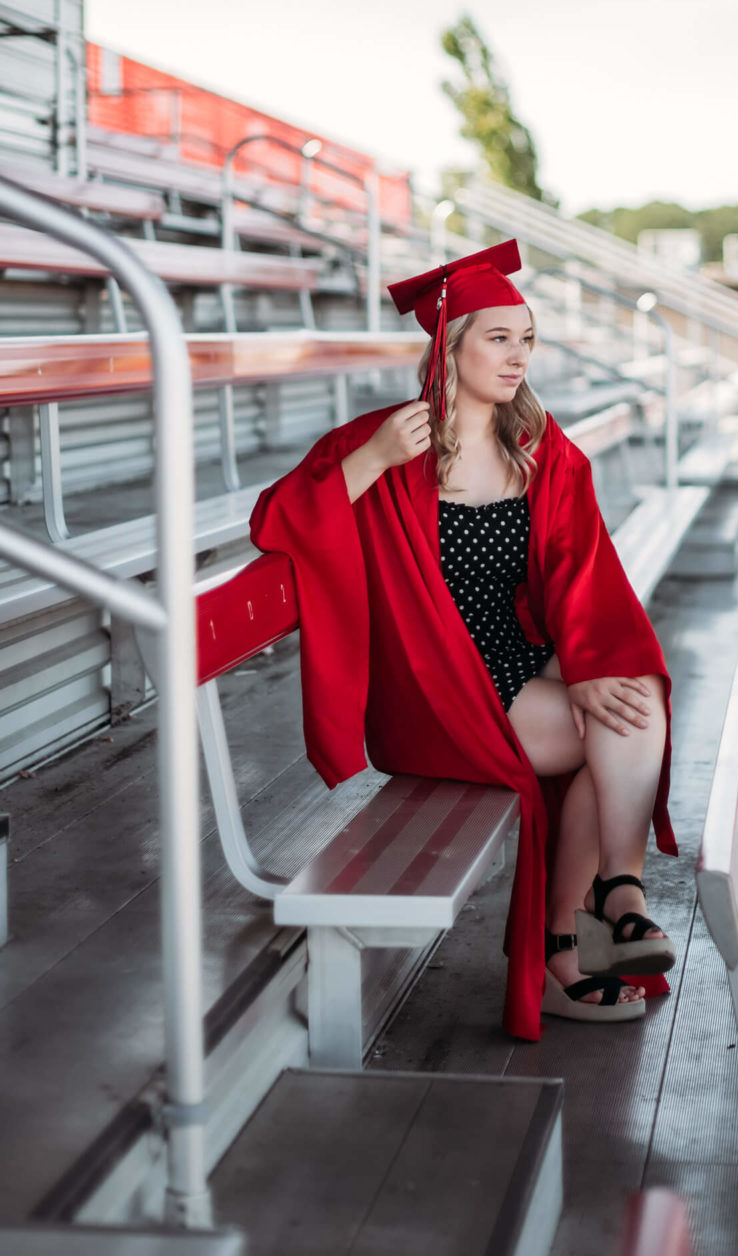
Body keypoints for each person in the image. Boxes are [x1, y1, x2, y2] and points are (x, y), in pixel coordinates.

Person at [250, 239, 677, 1041]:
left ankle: (613, 904)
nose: (518, 357)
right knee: (614, 732)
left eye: (527, 339)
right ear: (450, 343)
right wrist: (372, 462)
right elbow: (275, 523)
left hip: (513, 674)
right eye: (498, 338)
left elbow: (587, 573)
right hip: (432, 691)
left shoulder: (539, 452)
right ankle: (589, 934)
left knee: (631, 692)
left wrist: (586, 668)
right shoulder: (387, 443)